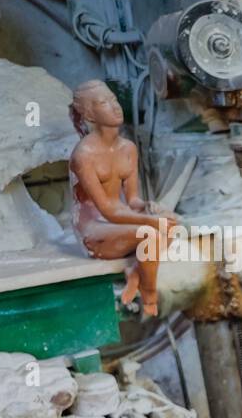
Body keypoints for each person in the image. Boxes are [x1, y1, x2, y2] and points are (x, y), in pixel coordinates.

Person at [69, 80, 176, 316]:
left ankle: (136, 271)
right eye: (103, 103)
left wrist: (149, 207)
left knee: (172, 223)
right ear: (90, 114)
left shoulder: (128, 148)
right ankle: (149, 293)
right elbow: (107, 209)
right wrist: (149, 221)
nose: (115, 106)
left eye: (114, 99)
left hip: (118, 220)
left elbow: (132, 200)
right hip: (94, 229)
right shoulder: (83, 155)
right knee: (152, 233)